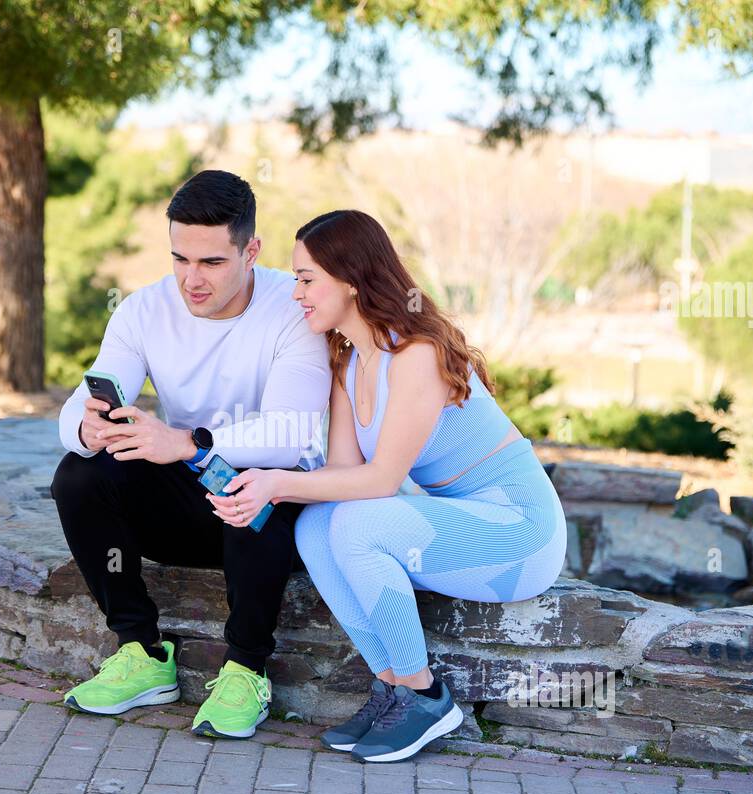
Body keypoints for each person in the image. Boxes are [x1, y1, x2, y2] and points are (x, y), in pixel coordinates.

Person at [208, 209, 567, 763]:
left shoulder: (416, 354)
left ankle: (425, 694)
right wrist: (266, 487)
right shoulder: (348, 361)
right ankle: (392, 684)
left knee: (353, 521)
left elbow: (380, 482)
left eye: (307, 279)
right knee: (317, 524)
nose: (295, 292)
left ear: (351, 280)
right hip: (465, 524)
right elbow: (344, 477)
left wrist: (277, 482)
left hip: (520, 535)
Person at [50, 170, 331, 739]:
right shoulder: (143, 311)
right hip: (185, 511)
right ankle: (142, 654)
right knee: (79, 475)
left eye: (211, 263)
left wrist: (189, 443)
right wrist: (88, 426)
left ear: (251, 250)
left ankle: (246, 669)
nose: (191, 280)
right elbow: (78, 409)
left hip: (276, 515)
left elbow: (292, 432)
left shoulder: (292, 308)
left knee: (251, 478)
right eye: (180, 259)